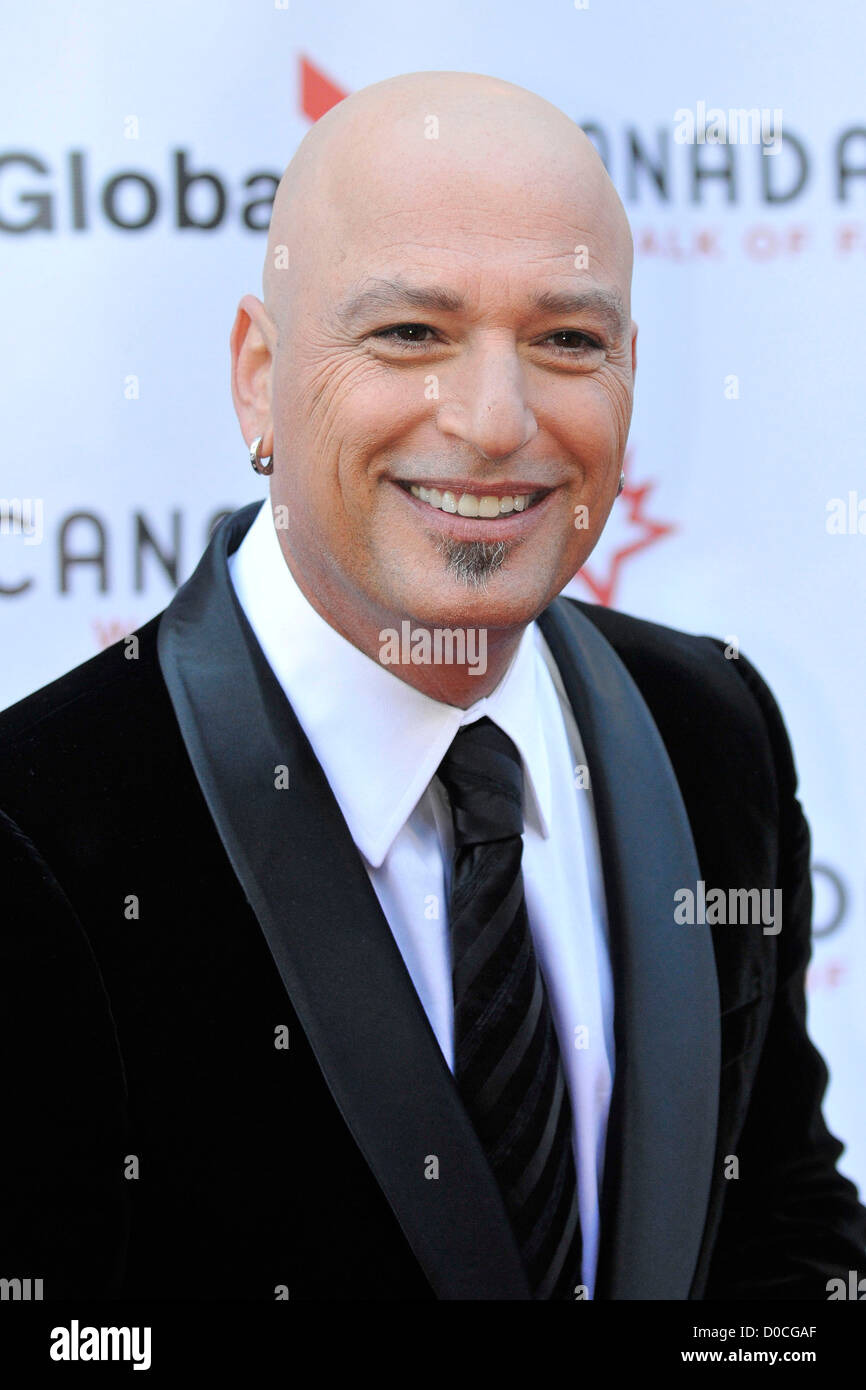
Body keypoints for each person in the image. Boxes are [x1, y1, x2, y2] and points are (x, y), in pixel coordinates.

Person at [1, 70, 864, 1302]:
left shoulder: (711, 728)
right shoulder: (38, 826)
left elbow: (774, 1209)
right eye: (411, 332)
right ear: (257, 373)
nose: (495, 418)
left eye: (567, 339)